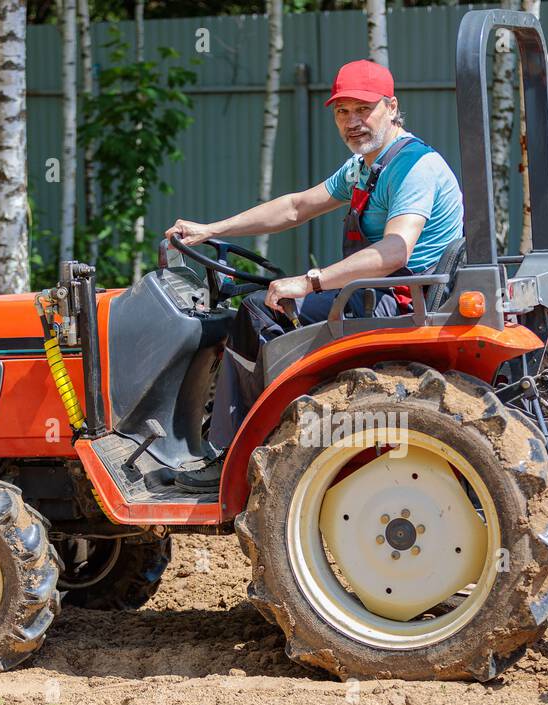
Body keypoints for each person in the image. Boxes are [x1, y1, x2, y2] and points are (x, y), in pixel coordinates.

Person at [165, 58, 463, 489]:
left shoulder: (414, 167)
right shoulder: (367, 164)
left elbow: (396, 250)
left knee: (255, 311)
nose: (353, 122)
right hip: (389, 291)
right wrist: (212, 229)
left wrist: (310, 281)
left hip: (396, 297)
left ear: (391, 106)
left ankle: (232, 455)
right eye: (343, 112)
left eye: (363, 109)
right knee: (268, 299)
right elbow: (295, 207)